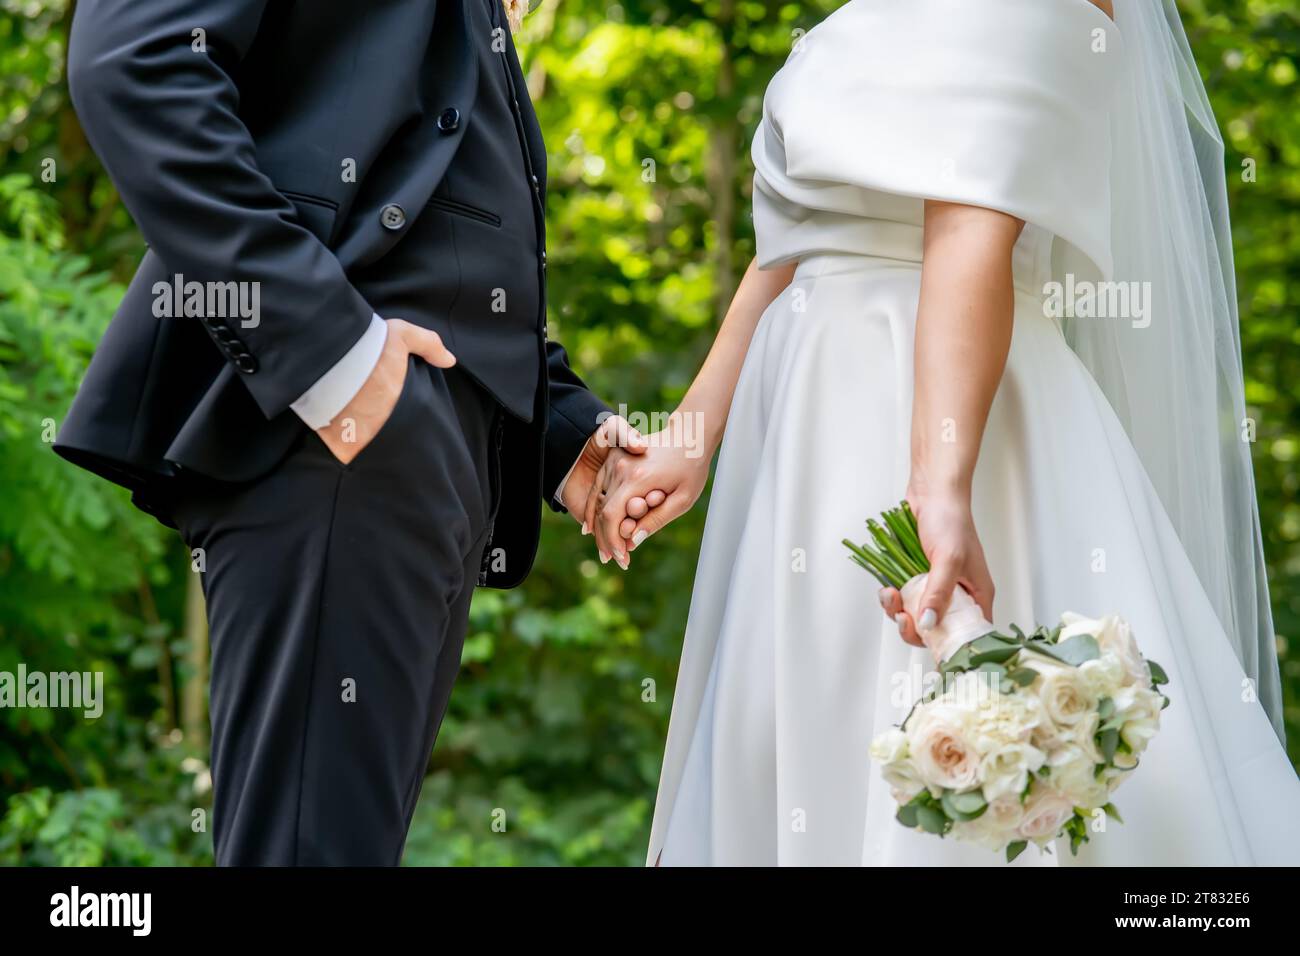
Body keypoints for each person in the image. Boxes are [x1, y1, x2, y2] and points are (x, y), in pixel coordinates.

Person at [586, 0, 1300, 865]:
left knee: (916, 728)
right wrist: (694, 431)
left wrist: (939, 486)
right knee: (790, 733)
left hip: (935, 413)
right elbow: (792, 244)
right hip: (809, 425)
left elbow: (970, 228)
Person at [54, 0, 656, 865]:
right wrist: (334, 355)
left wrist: (562, 431)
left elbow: (416, 206)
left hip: (415, 441)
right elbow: (132, 60)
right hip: (327, 433)